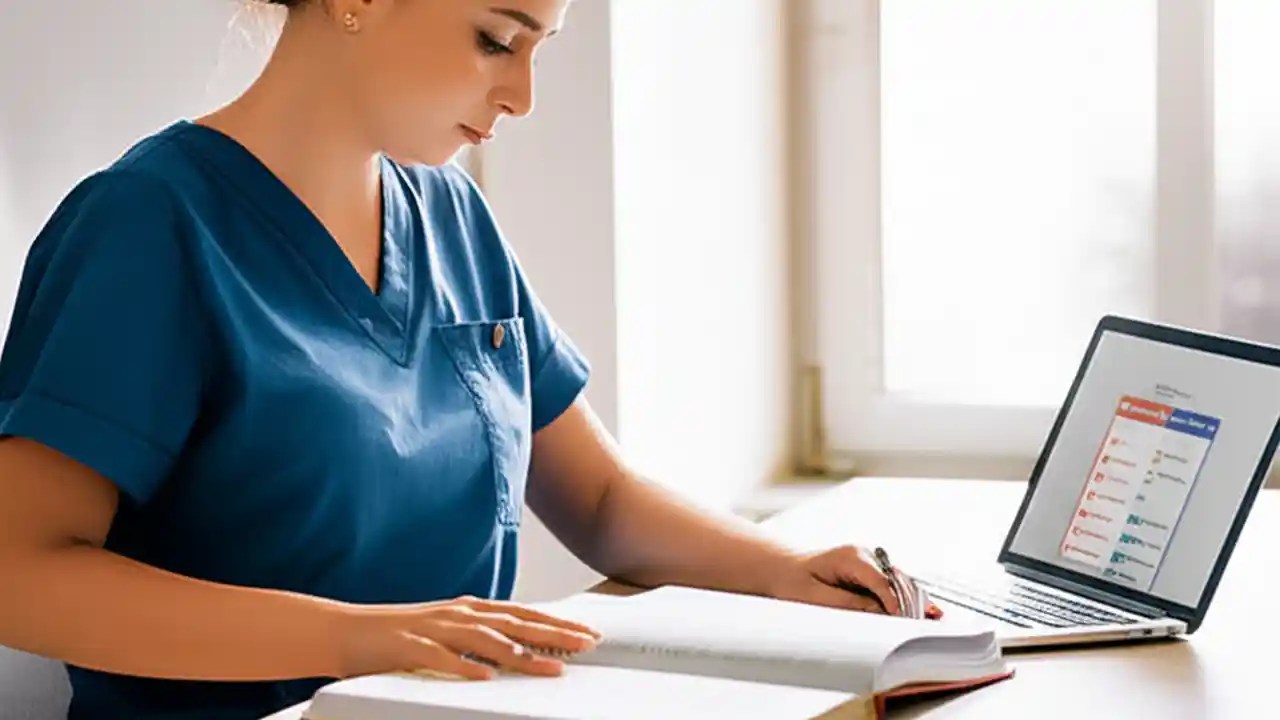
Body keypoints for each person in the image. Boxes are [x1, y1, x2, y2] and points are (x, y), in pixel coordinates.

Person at [0, 1, 906, 718]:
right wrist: (360, 640)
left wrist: (781, 569)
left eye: (540, 49)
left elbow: (599, 500)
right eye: (496, 40)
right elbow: (21, 574)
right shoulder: (148, 225)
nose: (523, 97)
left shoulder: (452, 219)